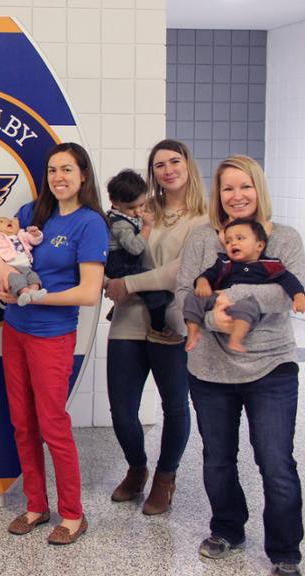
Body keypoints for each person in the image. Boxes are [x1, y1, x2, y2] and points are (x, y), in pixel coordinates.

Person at [176, 154, 304, 576]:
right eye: (227, 188)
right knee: (217, 459)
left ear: (258, 189)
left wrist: (228, 298)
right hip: (209, 369)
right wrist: (215, 320)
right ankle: (227, 529)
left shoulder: (284, 238)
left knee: (276, 462)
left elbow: (287, 294)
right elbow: (183, 296)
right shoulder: (202, 238)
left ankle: (285, 551)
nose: (237, 196)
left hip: (271, 368)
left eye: (245, 186)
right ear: (218, 194)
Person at [0, 142, 107, 545]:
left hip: (52, 335)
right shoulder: (32, 212)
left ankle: (73, 514)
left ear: (83, 175)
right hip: (15, 330)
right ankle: (36, 506)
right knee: (22, 423)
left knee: (53, 425)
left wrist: (36, 298)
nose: (59, 177)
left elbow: (89, 293)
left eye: (67, 169)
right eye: (53, 170)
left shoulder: (90, 224)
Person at [104, 139, 208, 515]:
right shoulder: (140, 209)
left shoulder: (205, 219)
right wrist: (107, 278)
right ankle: (137, 468)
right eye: (159, 165)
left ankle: (165, 477)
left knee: (175, 405)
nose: (167, 170)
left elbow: (181, 271)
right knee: (122, 410)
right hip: (129, 319)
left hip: (172, 323)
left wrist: (127, 284)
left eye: (174, 161)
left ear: (187, 165)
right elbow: (111, 254)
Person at [184, 218, 305, 352]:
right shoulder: (223, 262)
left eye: (240, 238)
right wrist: (202, 282)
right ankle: (193, 330)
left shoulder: (270, 265)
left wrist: (299, 296)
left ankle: (235, 340)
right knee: (193, 296)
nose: (233, 243)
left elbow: (289, 279)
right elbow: (209, 274)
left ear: (259, 246)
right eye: (228, 241)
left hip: (247, 303)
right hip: (218, 300)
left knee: (246, 306)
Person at [104, 169, 178, 343]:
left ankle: (117, 307)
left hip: (127, 265)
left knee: (165, 292)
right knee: (158, 295)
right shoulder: (119, 224)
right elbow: (135, 248)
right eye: (132, 208)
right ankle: (158, 329)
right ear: (115, 202)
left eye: (142, 205)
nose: (138, 211)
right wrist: (147, 227)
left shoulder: (126, 216)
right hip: (120, 266)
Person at [0, 212, 46, 306]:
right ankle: (24, 293)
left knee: (34, 277)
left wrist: (36, 234)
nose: (7, 221)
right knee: (17, 281)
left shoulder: (21, 235)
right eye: (1, 222)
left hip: (26, 266)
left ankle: (34, 292)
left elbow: (35, 240)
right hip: (11, 268)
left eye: (9, 220)